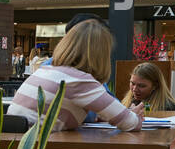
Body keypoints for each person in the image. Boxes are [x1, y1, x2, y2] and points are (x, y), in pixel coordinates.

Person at [8, 19, 141, 132]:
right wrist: (135, 116)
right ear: (102, 55)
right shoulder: (80, 81)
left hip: (13, 148)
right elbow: (129, 123)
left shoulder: (46, 70)